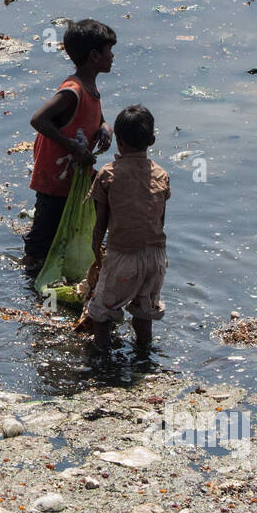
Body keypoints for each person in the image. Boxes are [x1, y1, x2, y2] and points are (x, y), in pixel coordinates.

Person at [22, 19, 115, 274]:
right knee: (43, 233)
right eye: (109, 51)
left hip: (75, 177)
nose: (113, 56)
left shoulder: (91, 87)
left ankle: (80, 259)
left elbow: (98, 117)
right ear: (94, 56)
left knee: (92, 206)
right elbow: (38, 119)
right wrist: (73, 146)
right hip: (55, 178)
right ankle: (32, 271)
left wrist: (106, 128)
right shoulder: (72, 90)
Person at [85, 105, 169, 350]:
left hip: (123, 257)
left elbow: (100, 223)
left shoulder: (108, 174)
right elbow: (159, 220)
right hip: (156, 258)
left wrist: (97, 255)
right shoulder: (162, 175)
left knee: (100, 312)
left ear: (118, 142)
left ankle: (102, 361)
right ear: (151, 140)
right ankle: (143, 357)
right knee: (144, 313)